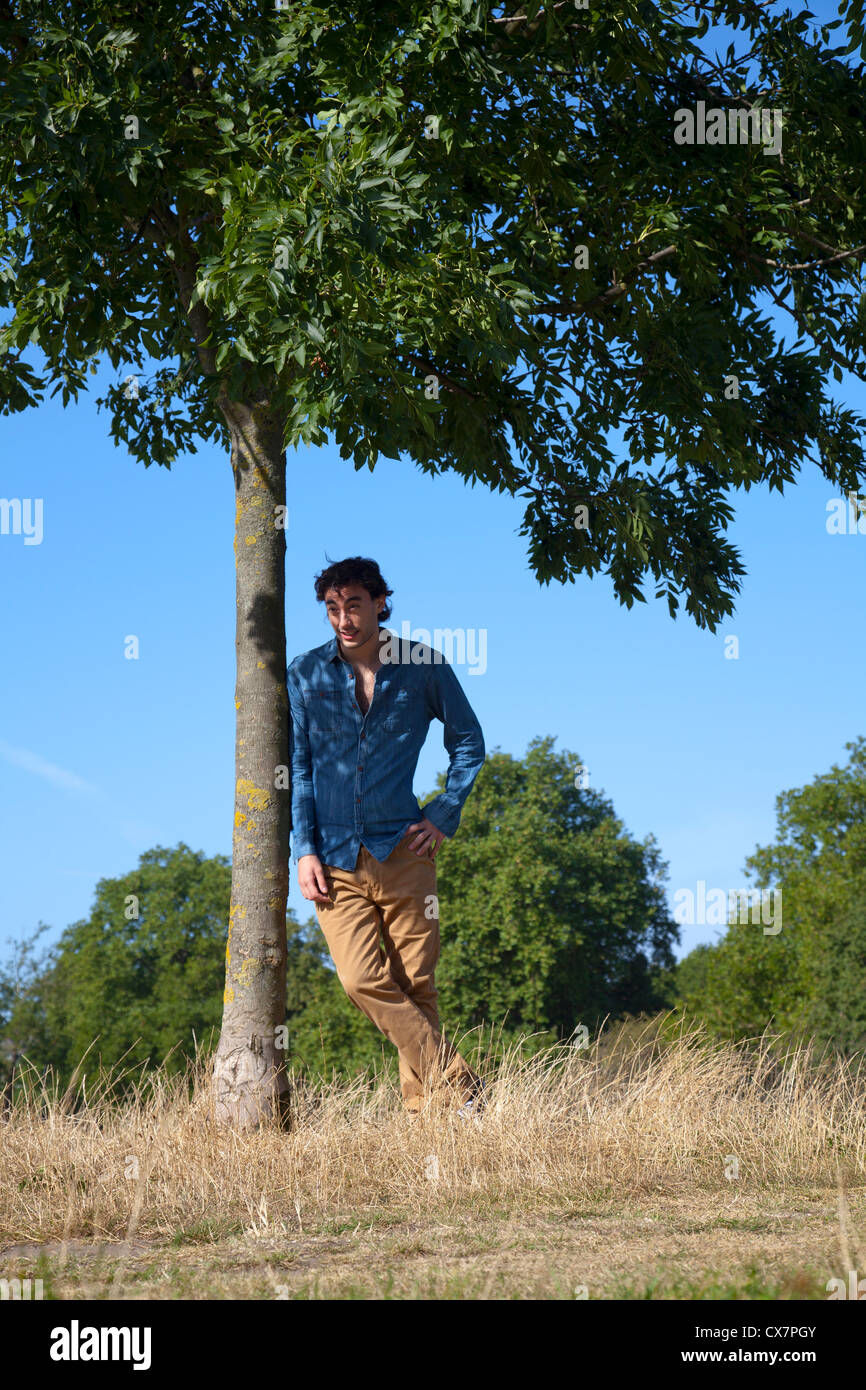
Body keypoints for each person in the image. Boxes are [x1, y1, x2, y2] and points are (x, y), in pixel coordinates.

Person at [286, 556, 486, 1118]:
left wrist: (444, 811)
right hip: (335, 860)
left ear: (379, 603)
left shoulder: (423, 666)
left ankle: (426, 1123)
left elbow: (469, 743)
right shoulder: (306, 673)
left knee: (416, 985)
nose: (343, 619)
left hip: (405, 849)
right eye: (332, 608)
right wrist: (304, 850)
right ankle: (459, 1080)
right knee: (359, 979)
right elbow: (300, 768)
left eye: (353, 605)